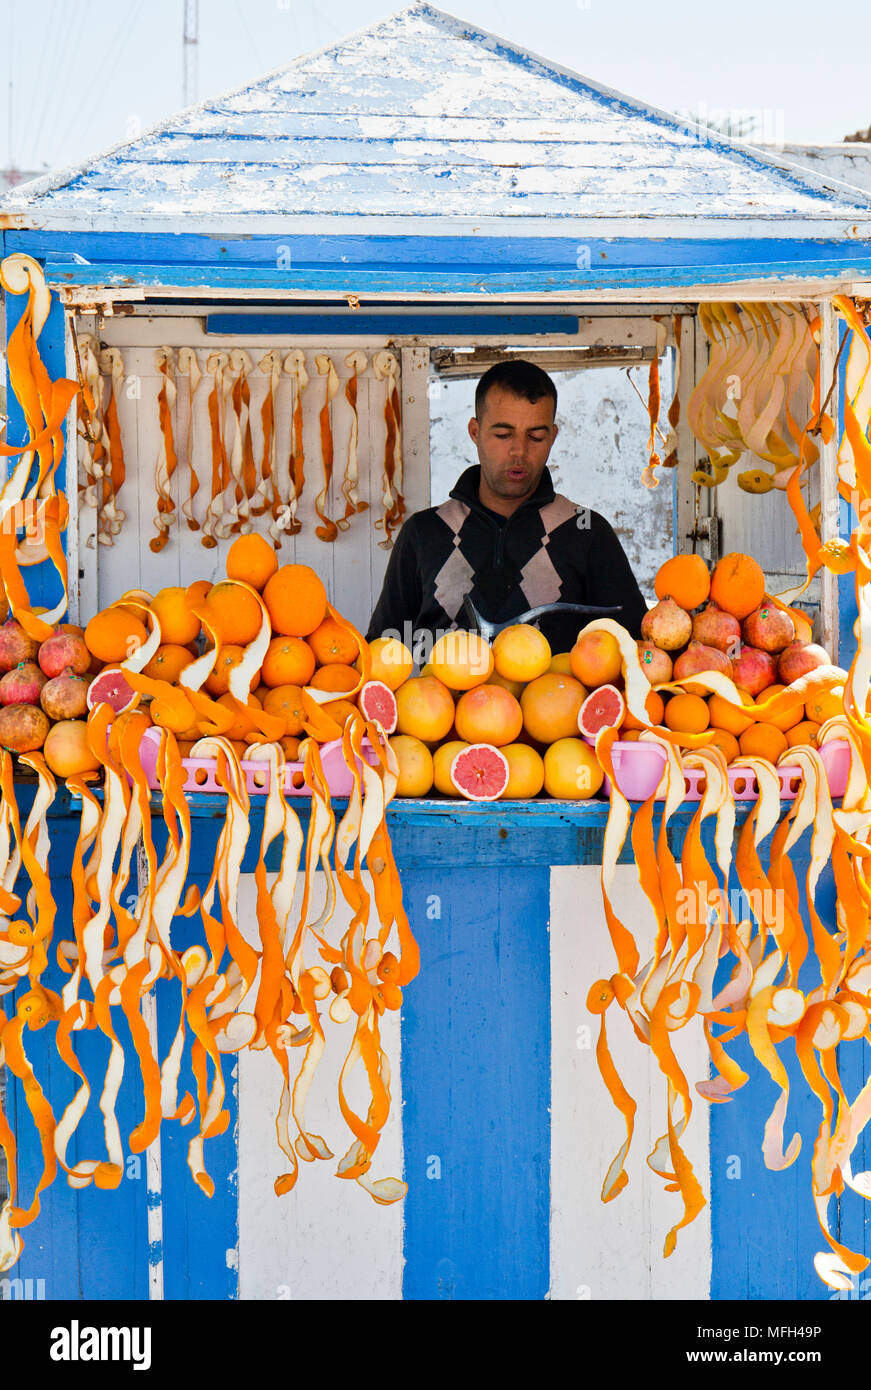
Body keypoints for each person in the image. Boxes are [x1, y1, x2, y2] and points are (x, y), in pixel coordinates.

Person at [366, 359, 649, 660]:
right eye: (503, 435)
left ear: (553, 437)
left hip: (559, 704)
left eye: (536, 436)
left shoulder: (587, 532)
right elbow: (382, 651)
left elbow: (638, 650)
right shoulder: (423, 533)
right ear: (475, 431)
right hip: (440, 706)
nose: (519, 451)